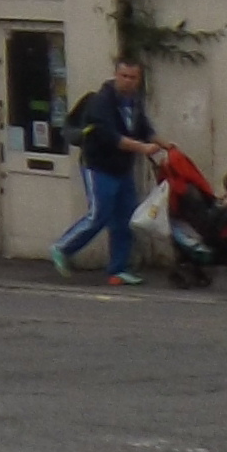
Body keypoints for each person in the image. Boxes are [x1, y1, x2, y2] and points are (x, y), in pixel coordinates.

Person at [51, 55, 162, 286]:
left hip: (122, 168)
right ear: (115, 74)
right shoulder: (100, 102)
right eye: (123, 76)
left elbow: (145, 130)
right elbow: (114, 138)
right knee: (98, 215)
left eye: (133, 77)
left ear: (139, 79)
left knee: (126, 218)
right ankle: (62, 247)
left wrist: (166, 145)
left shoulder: (135, 102)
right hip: (98, 166)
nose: (128, 81)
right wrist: (144, 148)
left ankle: (118, 269)